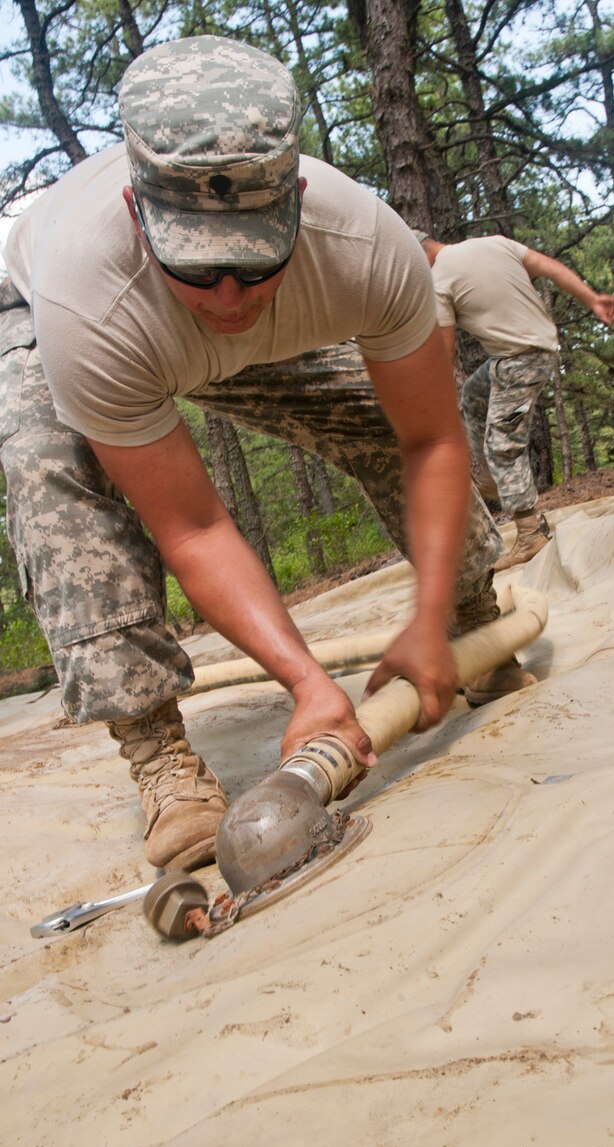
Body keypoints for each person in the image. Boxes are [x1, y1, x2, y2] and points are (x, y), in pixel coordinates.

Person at [0, 35, 534, 875]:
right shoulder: (87, 296)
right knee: (49, 473)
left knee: (377, 416)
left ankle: (473, 618)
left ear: (296, 203)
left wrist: (428, 618)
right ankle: (161, 761)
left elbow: (432, 440)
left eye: (254, 264)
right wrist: (304, 683)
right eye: (199, 267)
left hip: (205, 316)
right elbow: (195, 527)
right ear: (142, 218)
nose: (227, 299)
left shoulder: (363, 243)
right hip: (74, 322)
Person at [416, 232, 614, 570]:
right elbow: (551, 267)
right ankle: (487, 479)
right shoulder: (494, 243)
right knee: (474, 392)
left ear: (418, 257)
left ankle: (530, 534)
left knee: (502, 445)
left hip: (519, 363)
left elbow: (445, 351)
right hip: (527, 353)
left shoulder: (439, 279)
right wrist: (592, 299)